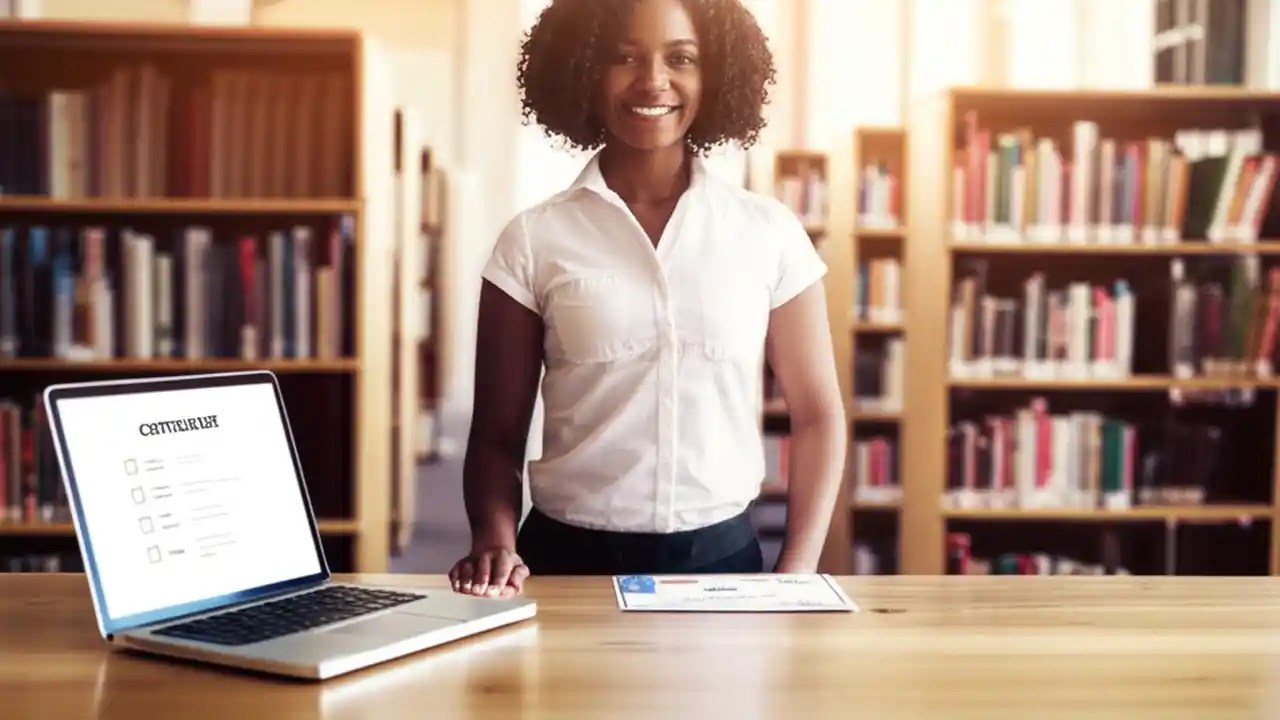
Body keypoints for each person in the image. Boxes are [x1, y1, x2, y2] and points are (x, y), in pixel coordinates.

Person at [448, 0, 846, 598]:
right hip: (563, 564)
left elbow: (818, 415)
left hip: (723, 564)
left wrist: (798, 570)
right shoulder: (533, 239)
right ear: (583, 69)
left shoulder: (768, 233)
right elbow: (496, 436)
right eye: (624, 57)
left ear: (715, 75)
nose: (653, 81)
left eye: (681, 58)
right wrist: (494, 538)